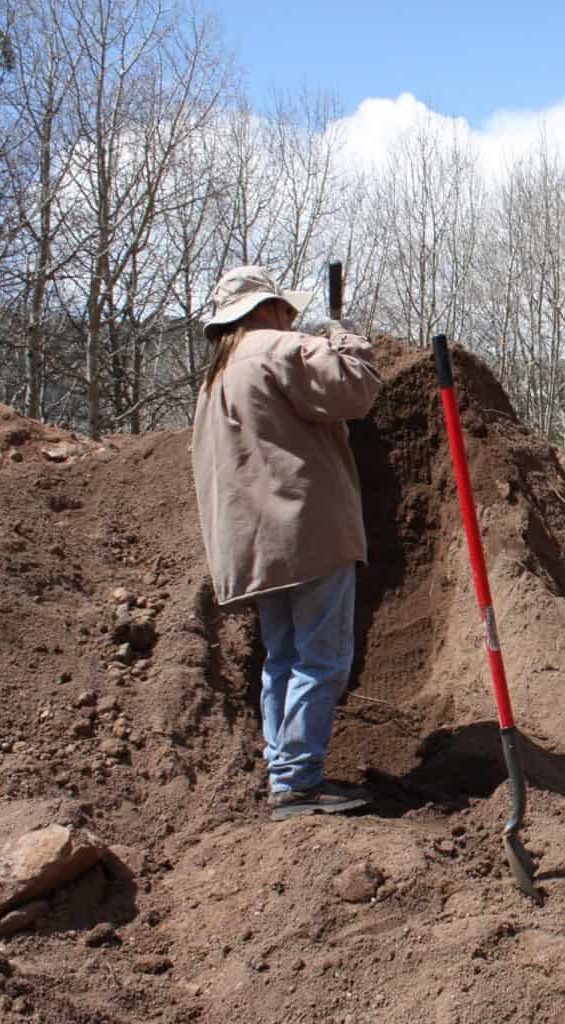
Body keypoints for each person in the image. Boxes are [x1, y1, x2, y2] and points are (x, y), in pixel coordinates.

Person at [191, 265, 383, 820]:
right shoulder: (279, 348)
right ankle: (299, 783)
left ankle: (285, 774)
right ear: (268, 308)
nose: (291, 317)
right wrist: (343, 336)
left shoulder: (216, 377)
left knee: (282, 657)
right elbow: (355, 389)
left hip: (253, 544)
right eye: (285, 309)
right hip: (307, 531)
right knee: (323, 658)